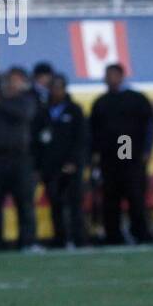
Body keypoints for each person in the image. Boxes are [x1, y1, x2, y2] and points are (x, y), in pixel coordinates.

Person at [90, 63, 153, 245]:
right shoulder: (101, 102)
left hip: (130, 156)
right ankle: (114, 235)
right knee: (111, 198)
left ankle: (141, 233)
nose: (108, 78)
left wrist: (147, 149)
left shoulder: (136, 99)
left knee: (135, 195)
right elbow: (93, 130)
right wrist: (94, 153)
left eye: (111, 75)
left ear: (121, 76)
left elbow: (149, 125)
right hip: (108, 158)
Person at [0, 68, 39, 250]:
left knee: (24, 202)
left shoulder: (26, 100)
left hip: (19, 158)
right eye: (8, 80)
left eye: (14, 80)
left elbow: (23, 115)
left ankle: (27, 241)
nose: (10, 84)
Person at [33, 73, 89, 248]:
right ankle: (60, 238)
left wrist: (75, 160)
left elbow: (81, 138)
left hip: (70, 165)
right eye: (52, 87)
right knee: (55, 203)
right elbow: (36, 141)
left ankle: (78, 238)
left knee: (74, 203)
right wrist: (39, 166)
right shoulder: (42, 112)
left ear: (65, 89)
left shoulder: (75, 110)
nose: (55, 91)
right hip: (50, 167)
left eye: (59, 87)